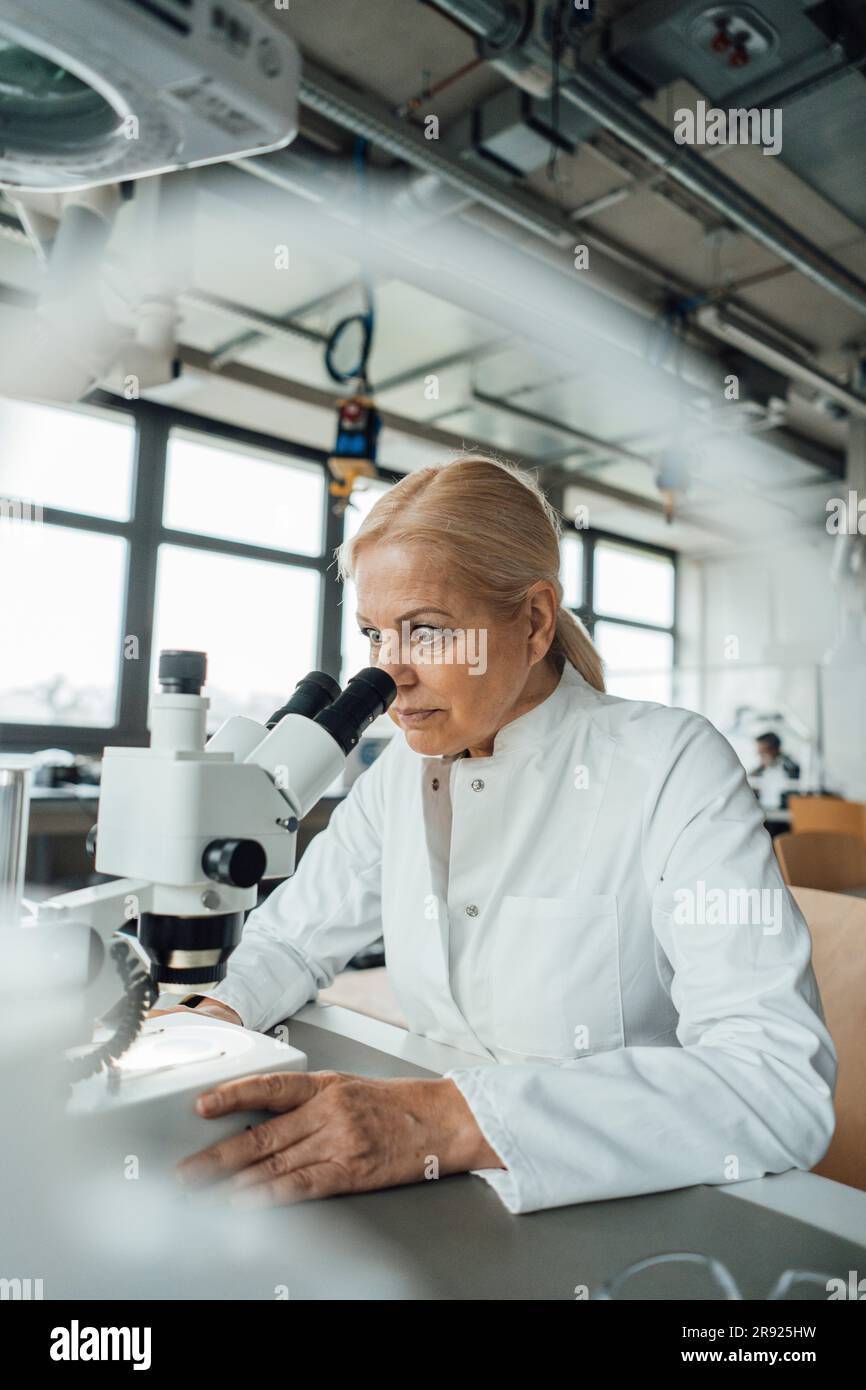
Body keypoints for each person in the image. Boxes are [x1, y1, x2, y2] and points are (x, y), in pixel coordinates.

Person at [159, 456, 836, 1215]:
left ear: (536, 620)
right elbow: (290, 941)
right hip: (448, 1193)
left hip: (634, 1198)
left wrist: (442, 1119)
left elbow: (777, 1083)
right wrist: (214, 1019)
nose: (390, 674)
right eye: (375, 634)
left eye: (427, 632)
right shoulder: (398, 777)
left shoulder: (669, 763)